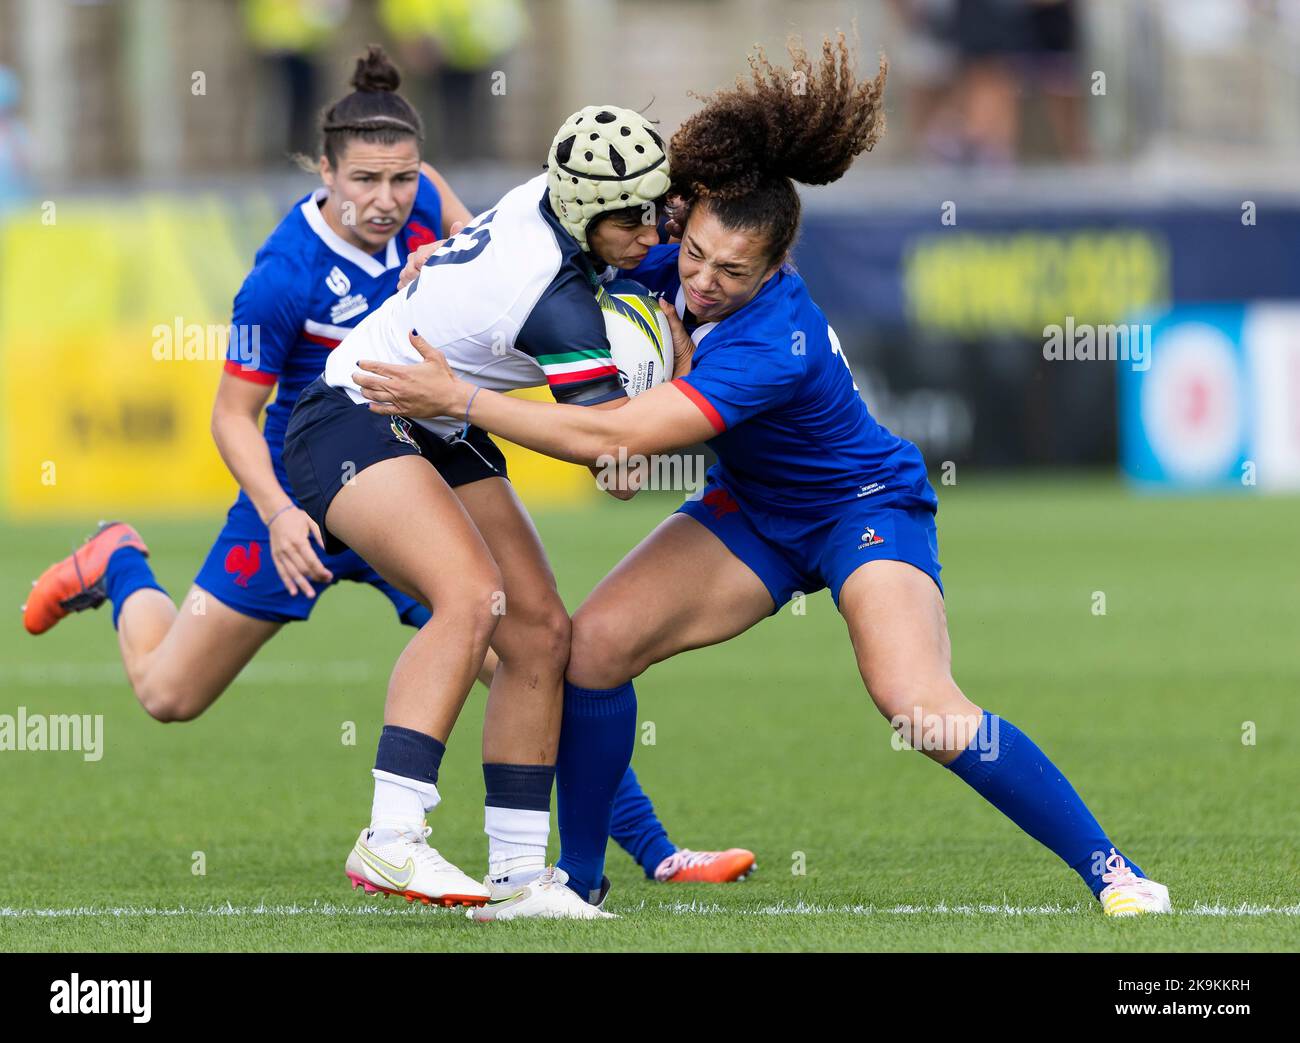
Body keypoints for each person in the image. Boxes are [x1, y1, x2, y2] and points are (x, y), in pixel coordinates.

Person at [351, 34, 1172, 918]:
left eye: (730, 271)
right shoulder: (672, 248)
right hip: (752, 511)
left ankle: (1113, 870)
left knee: (917, 705)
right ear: (684, 216)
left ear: (775, 265)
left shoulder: (771, 342)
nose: (700, 281)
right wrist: (441, 255)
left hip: (861, 506)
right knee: (590, 652)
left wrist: (458, 396)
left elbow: (619, 439)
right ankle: (577, 882)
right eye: (694, 252)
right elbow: (538, 231)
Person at [22, 48, 750, 901]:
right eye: (641, 221)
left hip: (425, 423)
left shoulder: (482, 198)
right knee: (191, 686)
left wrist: (441, 278)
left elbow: (469, 240)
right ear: (325, 171)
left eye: (402, 177)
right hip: (332, 443)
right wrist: (664, 377)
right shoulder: (288, 278)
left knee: (536, 634)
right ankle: (389, 835)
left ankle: (530, 875)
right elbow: (613, 461)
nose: (659, 236)